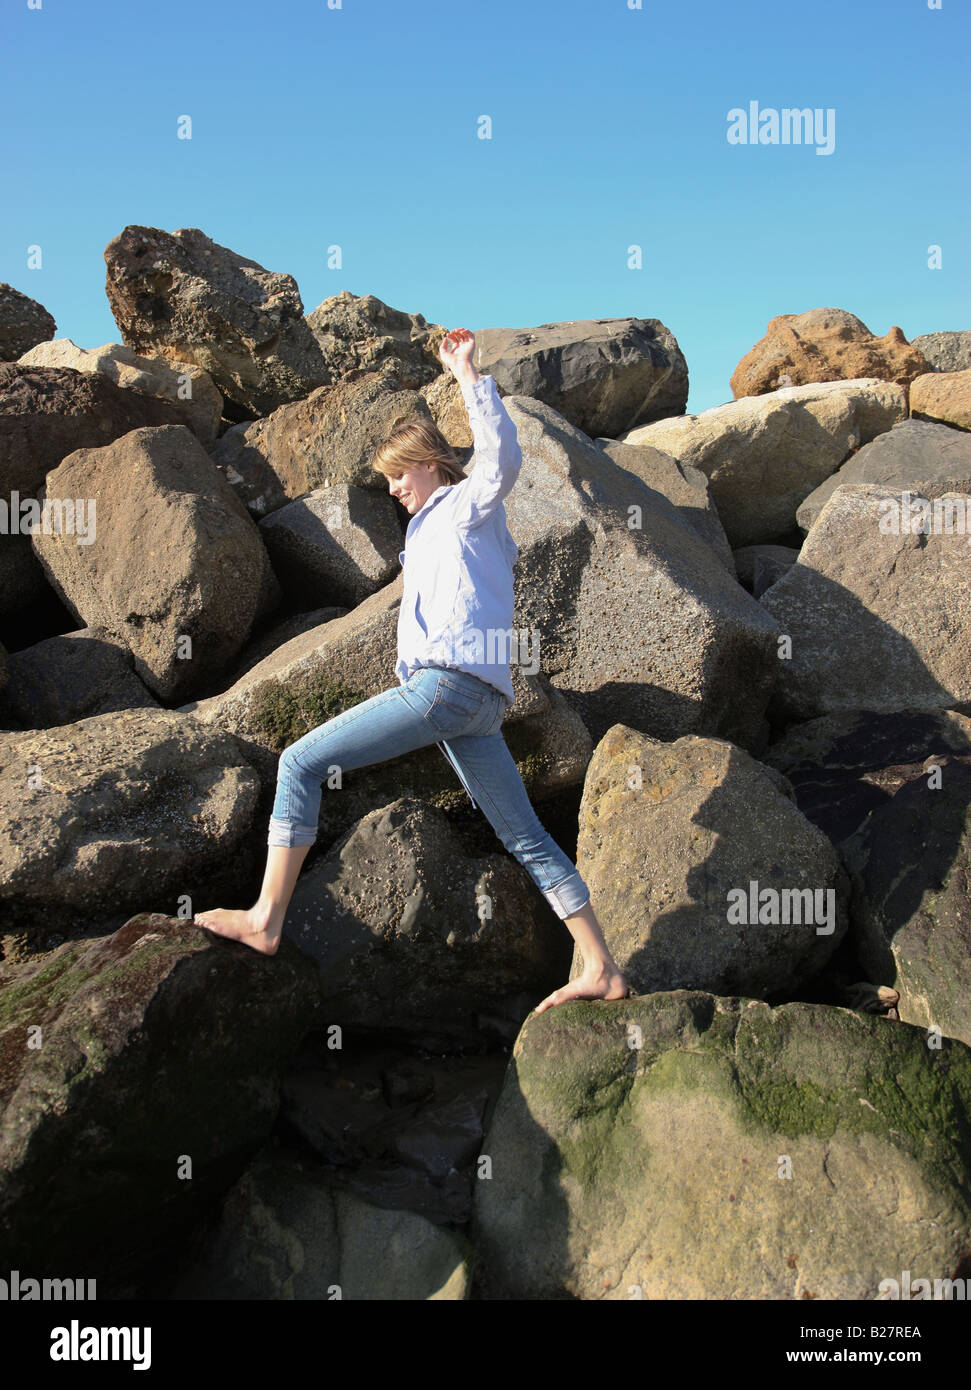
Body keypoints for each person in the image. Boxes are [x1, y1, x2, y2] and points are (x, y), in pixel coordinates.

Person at [194, 327, 629, 1013]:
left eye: (400, 474)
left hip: (449, 686)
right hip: (477, 703)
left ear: (431, 463)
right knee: (524, 836)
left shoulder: (467, 506)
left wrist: (465, 374)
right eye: (388, 479)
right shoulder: (428, 530)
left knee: (300, 763)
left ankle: (265, 920)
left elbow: (501, 455)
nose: (393, 488)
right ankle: (600, 966)